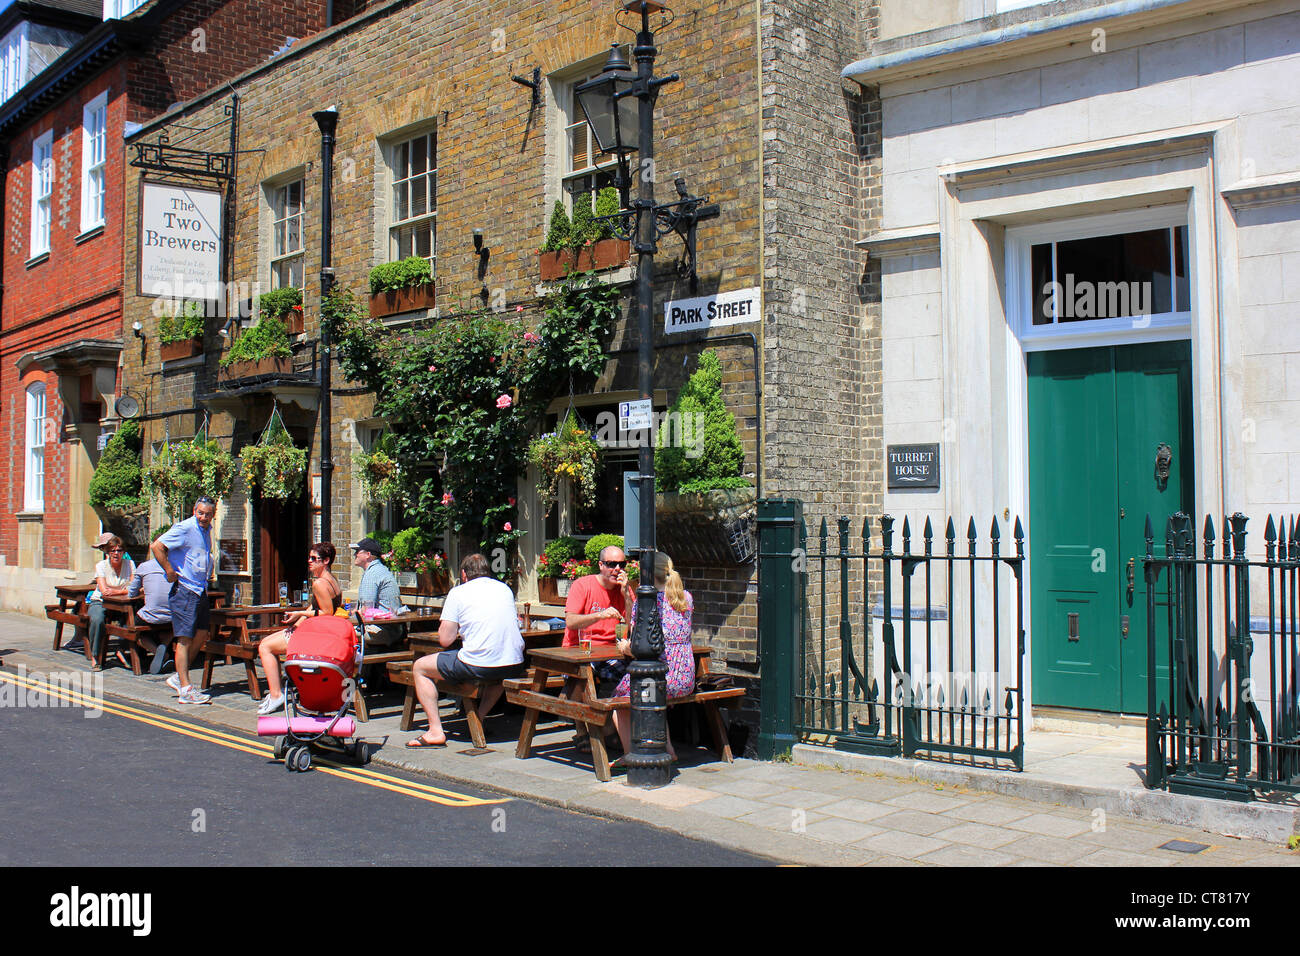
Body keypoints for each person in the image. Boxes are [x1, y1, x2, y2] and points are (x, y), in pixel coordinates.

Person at [406, 553, 525, 747]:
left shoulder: (459, 592)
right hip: (513, 663)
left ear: (463, 574)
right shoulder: (504, 589)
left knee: (419, 667)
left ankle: (435, 730)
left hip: (477, 664)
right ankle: (478, 718)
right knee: (496, 673)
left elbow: (445, 640)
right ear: (488, 571)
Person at [610, 552, 695, 762]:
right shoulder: (685, 597)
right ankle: (670, 751)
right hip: (685, 677)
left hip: (662, 675)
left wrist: (624, 648)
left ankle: (630, 755)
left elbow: (640, 646)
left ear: (645, 574)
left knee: (619, 702)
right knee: (655, 697)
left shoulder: (647, 601)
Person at [256, 542, 343, 715]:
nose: (309, 561)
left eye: (314, 559)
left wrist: (299, 614)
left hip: (315, 636)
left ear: (325, 561)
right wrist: (298, 615)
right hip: (318, 632)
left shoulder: (320, 583)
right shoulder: (332, 580)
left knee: (265, 647)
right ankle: (276, 693)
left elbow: (327, 612)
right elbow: (318, 608)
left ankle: (276, 695)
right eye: (309, 558)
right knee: (266, 642)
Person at [151, 496, 217, 705]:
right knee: (184, 639)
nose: (203, 517)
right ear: (194, 511)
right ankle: (186, 690)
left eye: (207, 514)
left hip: (200, 590)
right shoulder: (184, 527)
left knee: (201, 634)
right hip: (185, 590)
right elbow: (157, 546)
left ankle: (180, 677)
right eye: (200, 513)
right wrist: (169, 571)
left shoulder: (206, 530)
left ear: (213, 515)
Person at [87, 534, 135, 670]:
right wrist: (124, 589)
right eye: (112, 550)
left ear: (123, 552)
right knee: (97, 619)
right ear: (107, 552)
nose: (116, 553)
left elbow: (134, 587)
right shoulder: (101, 566)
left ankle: (122, 650)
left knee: (134, 619)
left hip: (123, 603)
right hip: (100, 601)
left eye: (119, 550)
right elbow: (104, 591)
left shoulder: (130, 564)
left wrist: (116, 590)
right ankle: (95, 656)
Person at [350, 537, 403, 646]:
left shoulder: (372, 574)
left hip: (381, 630)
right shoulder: (380, 570)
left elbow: (366, 609)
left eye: (357, 552)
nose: (354, 555)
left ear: (368, 554)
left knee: (339, 633)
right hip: (393, 629)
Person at [127, 556, 174, 674]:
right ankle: (164, 644)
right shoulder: (177, 566)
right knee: (178, 626)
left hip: (151, 615)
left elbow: (131, 593)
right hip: (172, 615)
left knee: (132, 630)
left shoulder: (144, 566)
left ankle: (158, 651)